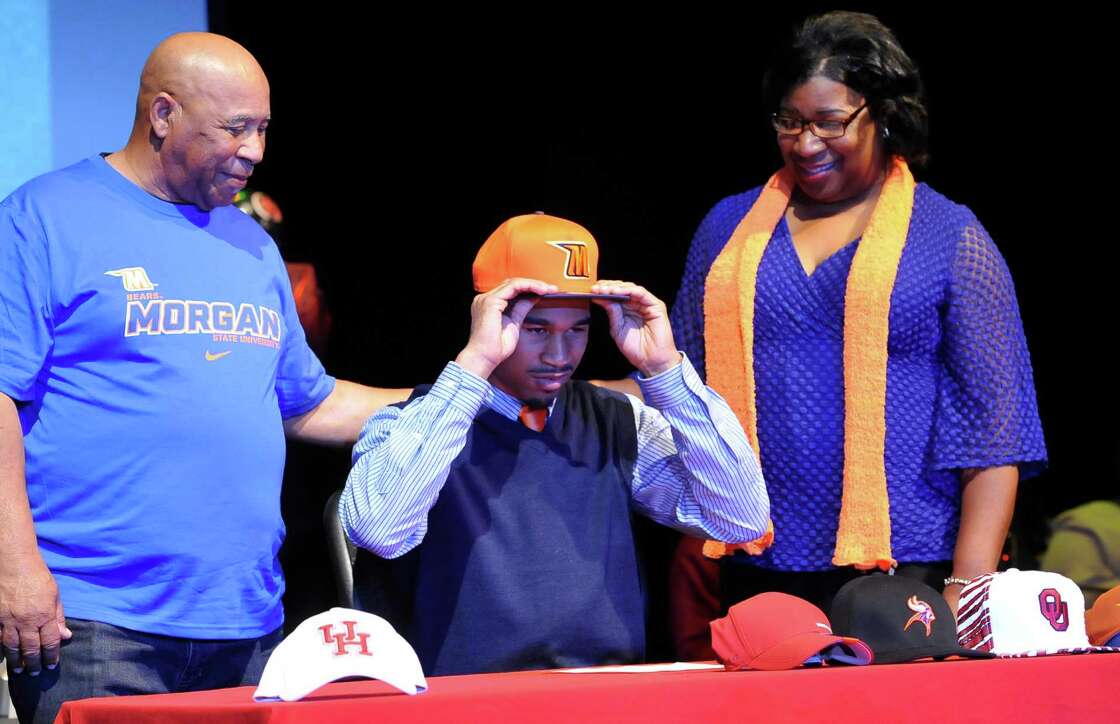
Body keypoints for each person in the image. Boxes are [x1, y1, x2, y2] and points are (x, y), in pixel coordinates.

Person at [0, 32, 405, 724]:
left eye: (264, 129)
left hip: (243, 623)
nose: (255, 151)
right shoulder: (43, 219)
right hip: (93, 624)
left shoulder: (251, 245)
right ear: (162, 115)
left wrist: (458, 397)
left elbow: (310, 403)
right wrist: (13, 564)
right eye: (235, 128)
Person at [652, 11, 1047, 658]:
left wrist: (966, 596)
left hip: (904, 572)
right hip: (757, 563)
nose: (807, 143)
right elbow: (684, 395)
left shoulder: (947, 236)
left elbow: (994, 431)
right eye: (789, 121)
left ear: (885, 114)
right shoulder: (727, 234)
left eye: (830, 122)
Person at [340, 213, 769, 675]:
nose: (559, 356)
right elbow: (379, 532)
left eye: (577, 330)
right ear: (488, 316)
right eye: (537, 330)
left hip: (605, 697)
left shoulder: (617, 422)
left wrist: (666, 373)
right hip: (469, 703)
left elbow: (739, 519)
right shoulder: (410, 425)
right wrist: (474, 364)